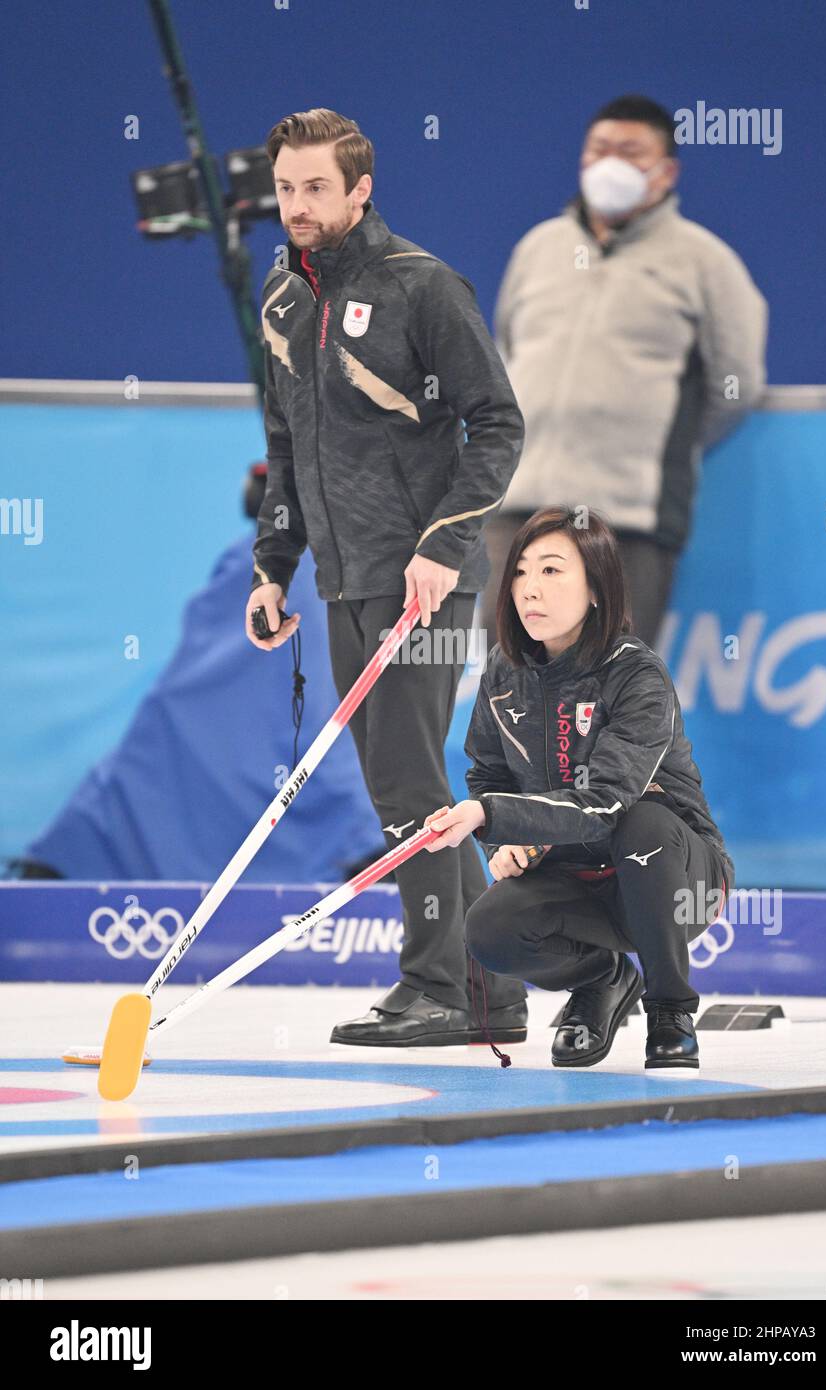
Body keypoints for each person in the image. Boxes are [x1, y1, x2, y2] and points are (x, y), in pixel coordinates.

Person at [245, 108, 528, 1046]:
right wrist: (272, 566)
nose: (298, 205)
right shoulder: (283, 301)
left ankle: (444, 987)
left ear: (361, 188)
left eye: (316, 187)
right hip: (341, 579)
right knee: (403, 791)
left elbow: (497, 424)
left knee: (408, 786)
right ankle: (496, 985)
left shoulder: (423, 288)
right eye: (286, 188)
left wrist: (444, 546)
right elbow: (287, 448)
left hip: (424, 583)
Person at [424, 505, 734, 1069]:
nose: (528, 589)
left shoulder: (637, 674)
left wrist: (490, 814)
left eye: (550, 571)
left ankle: (670, 1009)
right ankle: (604, 980)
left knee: (642, 820)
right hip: (571, 869)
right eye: (519, 571)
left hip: (676, 876)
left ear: (596, 587)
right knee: (490, 928)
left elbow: (605, 802)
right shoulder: (502, 671)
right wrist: (501, 844)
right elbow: (488, 772)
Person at [481, 94, 768, 648]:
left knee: (612, 689)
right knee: (506, 686)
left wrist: (660, 446)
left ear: (667, 172)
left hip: (627, 519)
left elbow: (734, 385)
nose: (610, 163)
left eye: (631, 151)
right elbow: (507, 354)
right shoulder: (538, 248)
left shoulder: (706, 262)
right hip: (519, 508)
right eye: (600, 149)